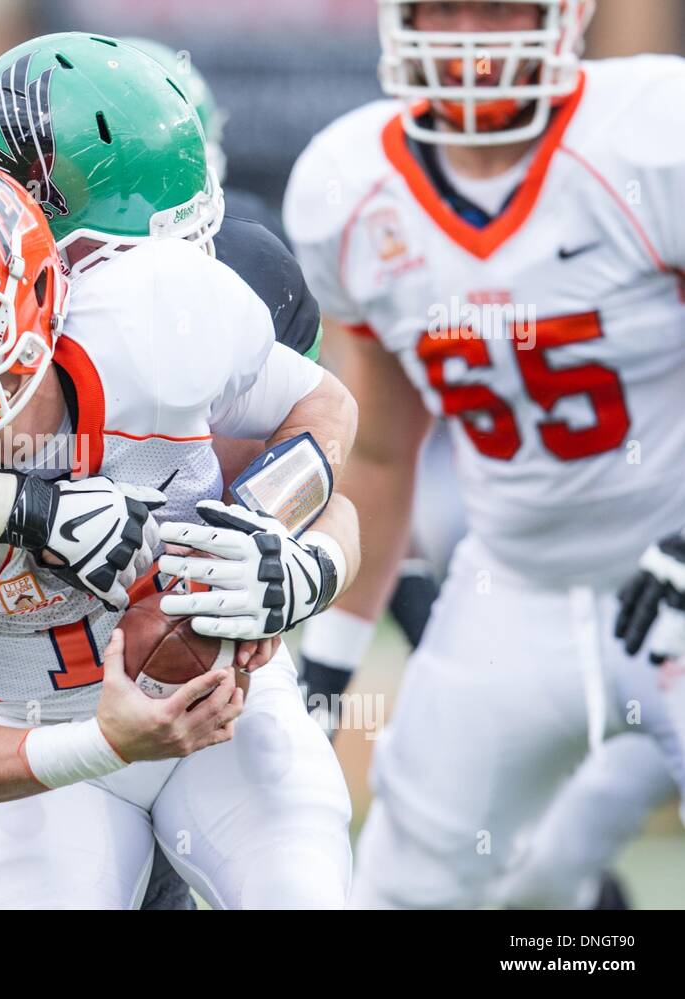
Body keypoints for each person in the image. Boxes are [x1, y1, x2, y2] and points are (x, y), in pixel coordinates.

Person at [0, 153, 358, 909]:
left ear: (37, 294)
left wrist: (296, 552)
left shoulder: (150, 326)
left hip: (228, 707)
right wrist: (105, 743)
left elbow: (327, 413)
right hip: (44, 756)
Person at [284, 0, 685, 908]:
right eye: (444, 9)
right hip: (515, 588)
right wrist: (332, 660)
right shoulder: (349, 188)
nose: (470, 38)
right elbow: (382, 452)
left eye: (500, 8)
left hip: (676, 576)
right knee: (406, 885)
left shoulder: (653, 139)